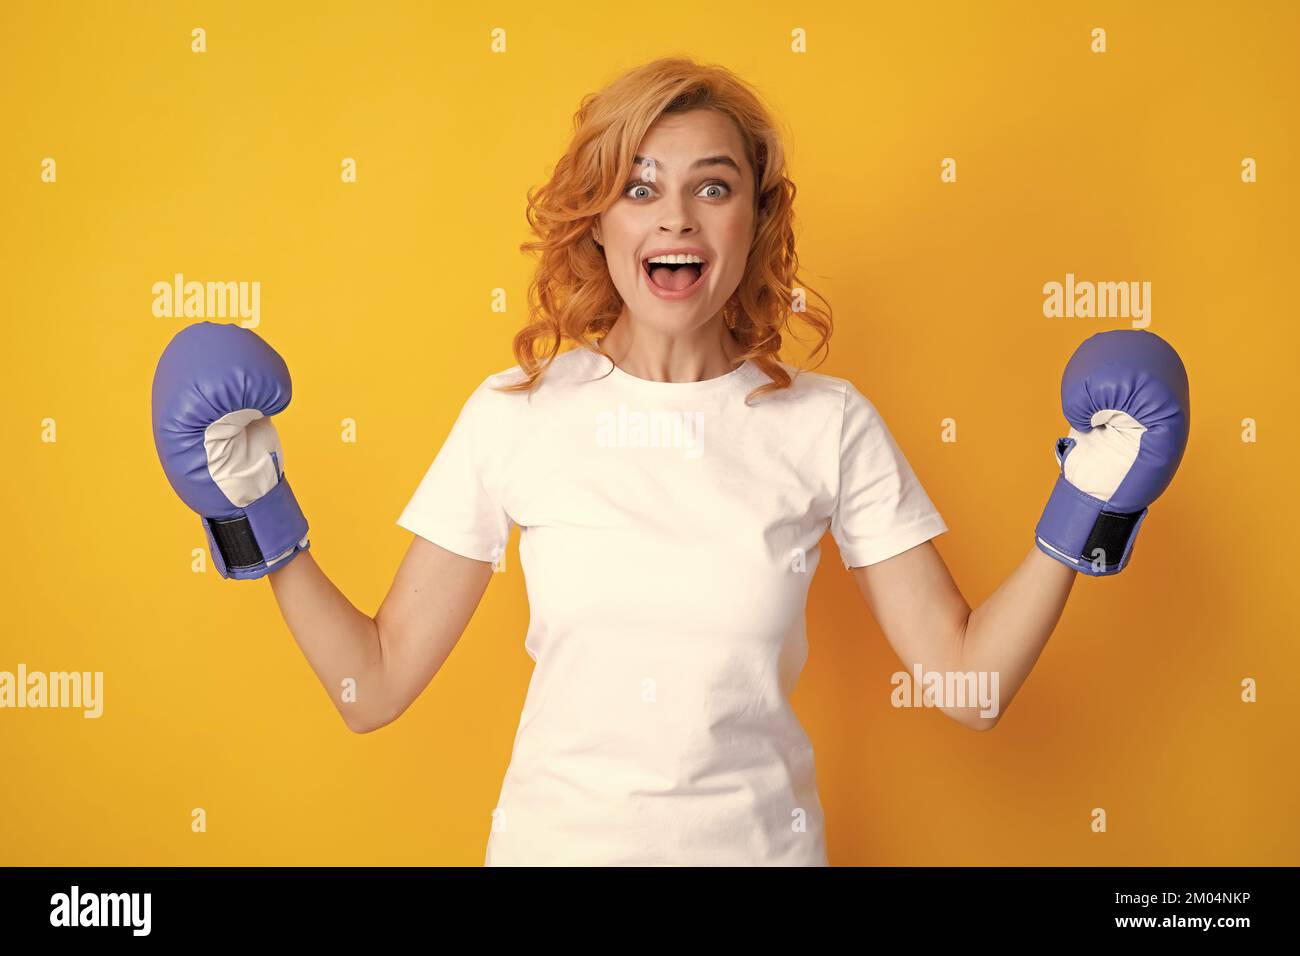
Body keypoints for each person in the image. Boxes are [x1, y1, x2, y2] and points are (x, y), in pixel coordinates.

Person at [150, 58, 1190, 866]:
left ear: (755, 219)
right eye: (638, 187)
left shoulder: (826, 424)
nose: (674, 216)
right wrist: (255, 510)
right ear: (597, 220)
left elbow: (966, 684)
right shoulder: (518, 415)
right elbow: (369, 686)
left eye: (712, 186)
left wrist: (1088, 502)